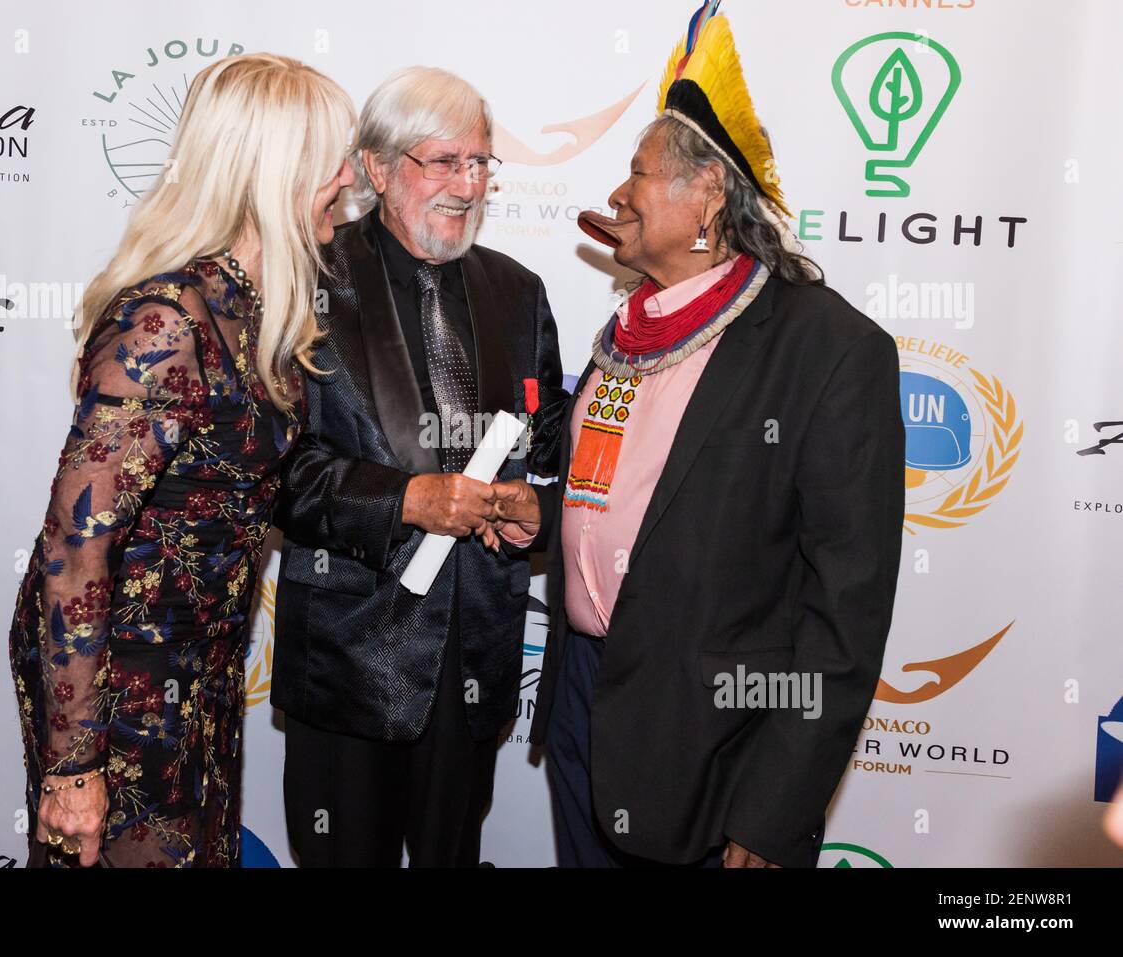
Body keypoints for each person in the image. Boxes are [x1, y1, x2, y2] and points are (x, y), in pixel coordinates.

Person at [492, 1, 905, 868]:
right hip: (582, 703)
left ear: (707, 192)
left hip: (715, 740)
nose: (616, 194)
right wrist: (549, 515)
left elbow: (844, 614)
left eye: (637, 172)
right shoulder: (629, 331)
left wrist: (774, 805)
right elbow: (622, 491)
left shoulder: (829, 351)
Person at [7, 53, 356, 867]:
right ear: (279, 172)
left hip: (196, 669)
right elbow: (74, 547)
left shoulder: (249, 312)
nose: (348, 176)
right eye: (332, 158)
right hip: (116, 685)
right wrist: (71, 768)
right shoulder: (165, 326)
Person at [272, 66, 567, 867]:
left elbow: (552, 448)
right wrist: (407, 498)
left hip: (474, 656)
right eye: (443, 161)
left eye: (480, 163)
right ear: (374, 168)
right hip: (350, 658)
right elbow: (276, 475)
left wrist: (536, 505)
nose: (467, 184)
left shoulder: (519, 291)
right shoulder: (305, 282)